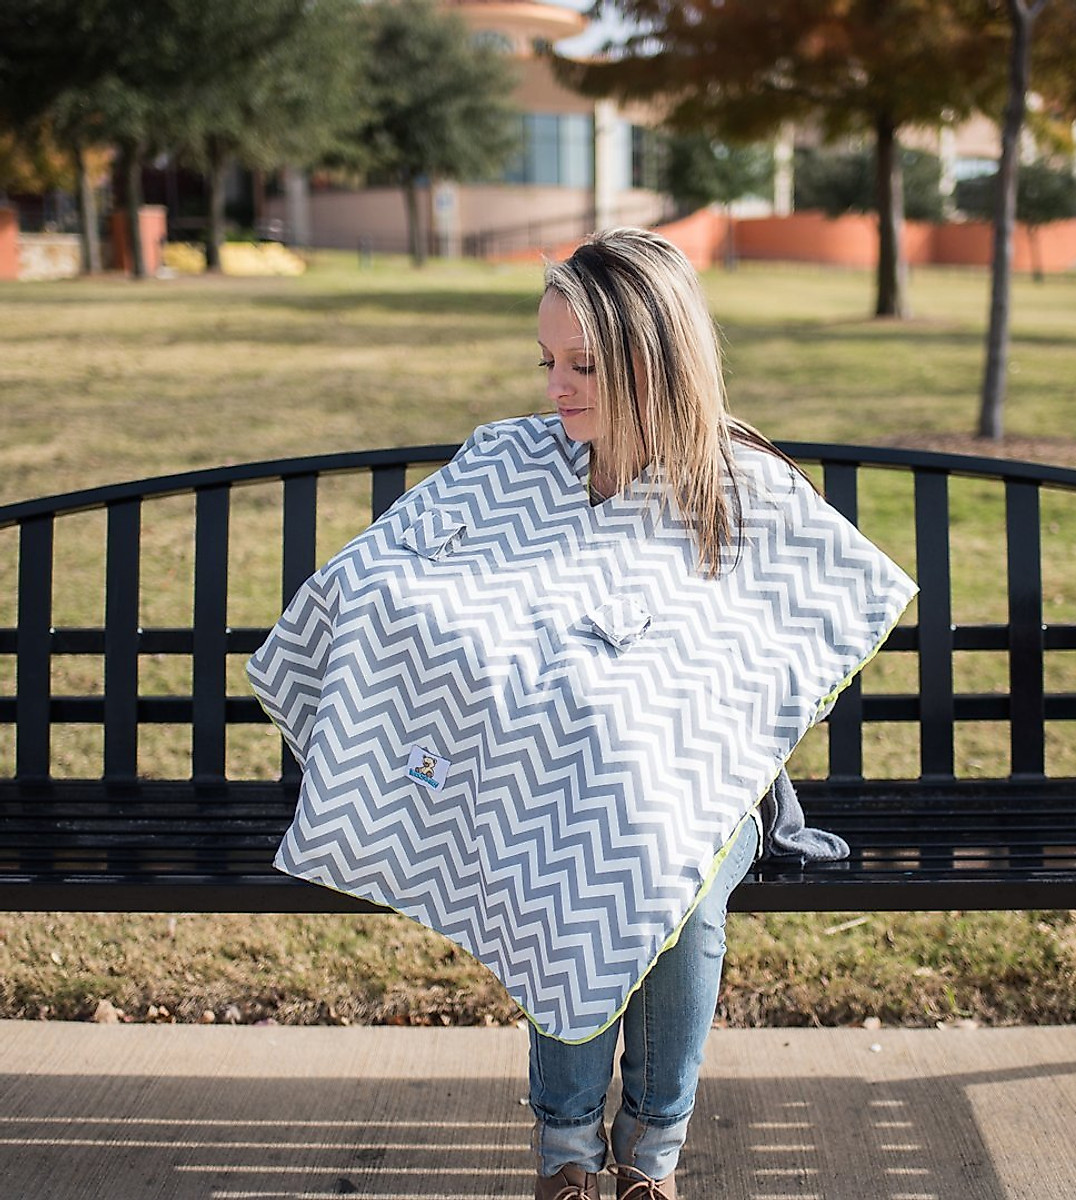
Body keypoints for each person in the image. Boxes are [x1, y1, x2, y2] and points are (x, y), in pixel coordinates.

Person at [247, 227, 916, 1200]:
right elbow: (377, 581)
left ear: (655, 358)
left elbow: (791, 646)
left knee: (662, 874)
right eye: (546, 360)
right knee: (575, 844)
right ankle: (565, 1154)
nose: (555, 385)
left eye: (584, 364)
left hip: (705, 792)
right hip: (538, 778)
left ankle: (651, 1160)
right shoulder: (515, 466)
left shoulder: (743, 492)